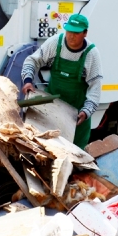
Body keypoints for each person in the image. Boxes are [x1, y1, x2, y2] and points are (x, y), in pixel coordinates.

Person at [21, 13, 103, 149]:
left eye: (76, 33)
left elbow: (95, 87)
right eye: (69, 31)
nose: (71, 36)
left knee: (73, 157)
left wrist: (86, 111)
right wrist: (28, 80)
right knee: (45, 150)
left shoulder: (91, 54)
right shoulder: (55, 43)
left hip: (75, 117)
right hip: (51, 110)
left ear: (85, 33)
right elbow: (32, 60)